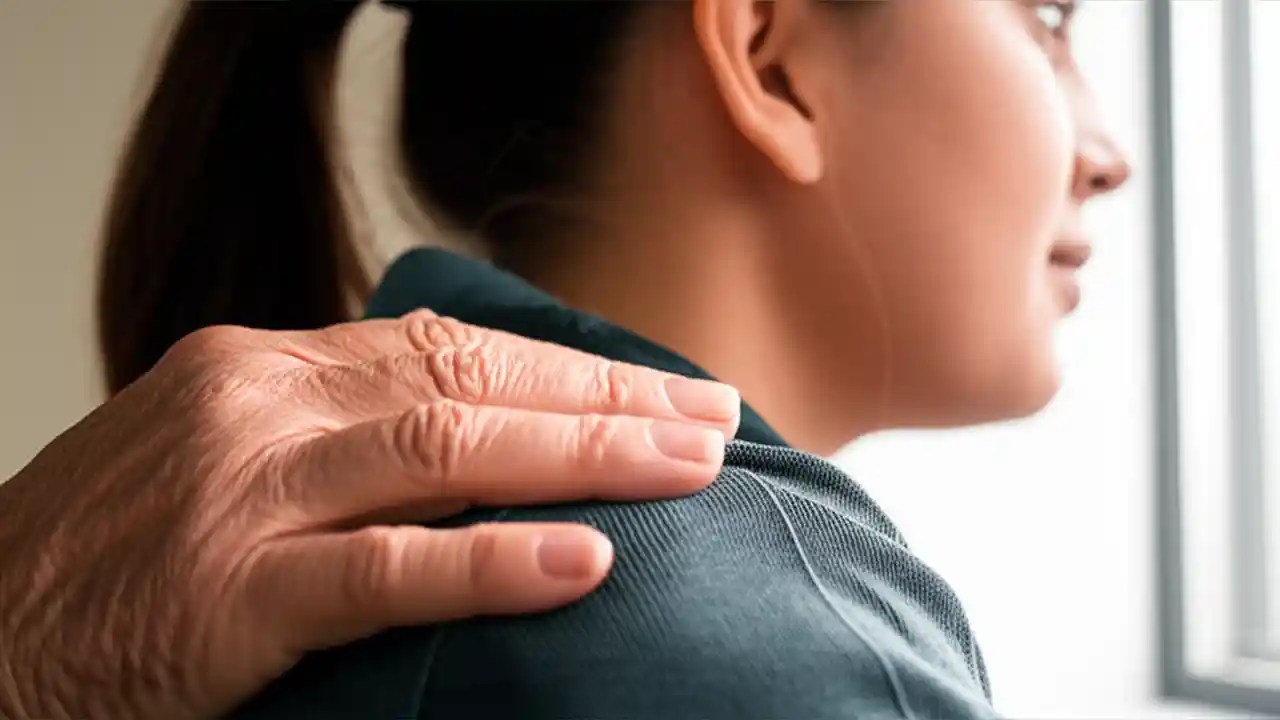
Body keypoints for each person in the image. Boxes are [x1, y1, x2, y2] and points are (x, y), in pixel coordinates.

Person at [7, 0, 1133, 716]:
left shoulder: (295, 551)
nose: (1108, 153)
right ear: (769, 58)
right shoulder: (782, 664)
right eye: (1044, 17)